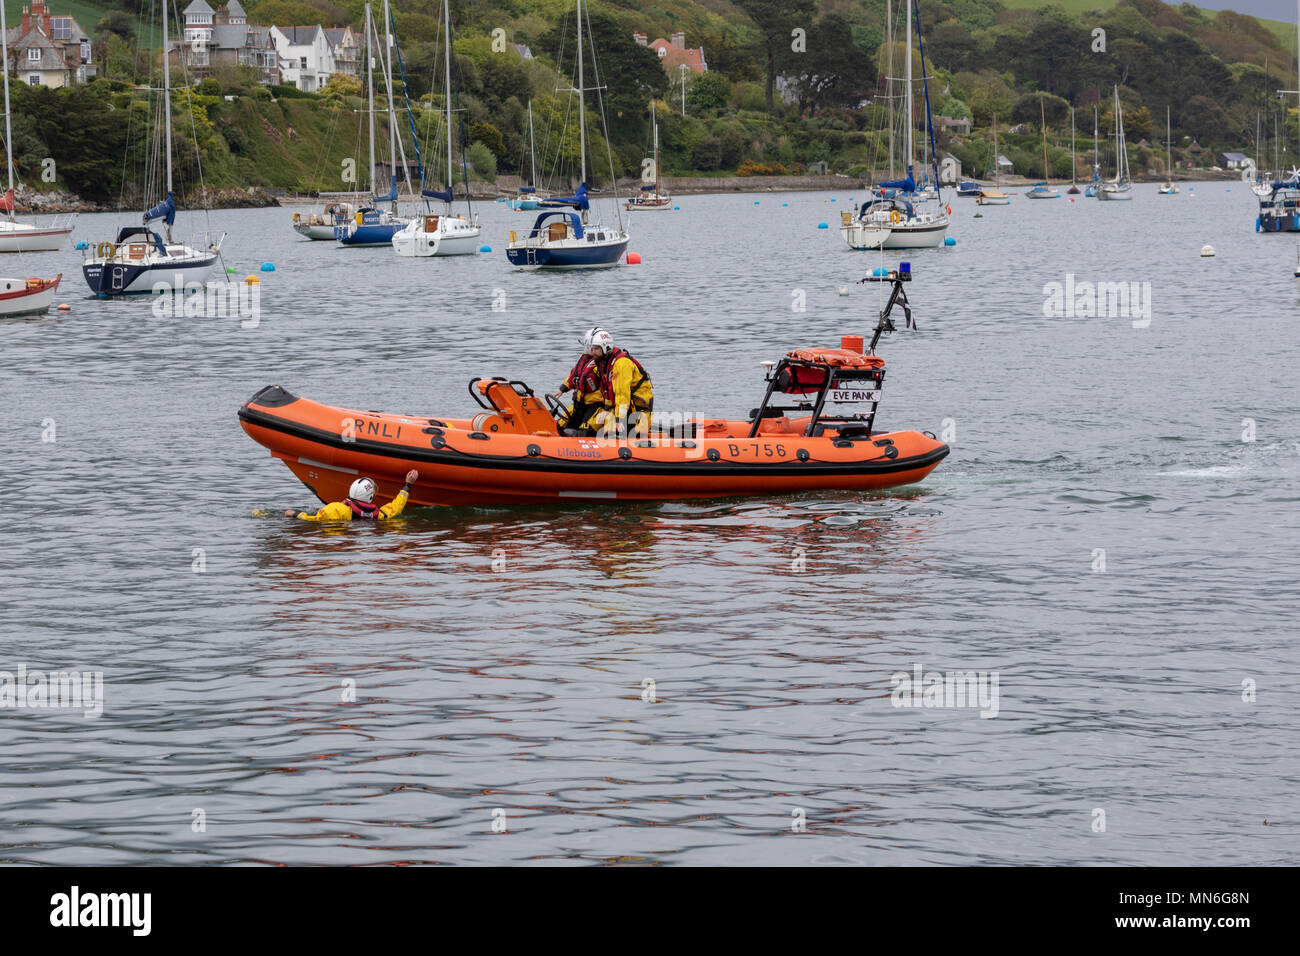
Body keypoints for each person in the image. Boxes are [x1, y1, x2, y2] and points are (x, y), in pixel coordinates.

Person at [586, 328, 653, 436]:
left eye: (596, 349)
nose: (592, 352)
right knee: (593, 426)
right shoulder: (605, 363)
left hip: (636, 414)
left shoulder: (621, 364)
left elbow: (623, 395)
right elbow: (608, 392)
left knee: (608, 433)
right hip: (622, 410)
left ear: (605, 348)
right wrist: (607, 410)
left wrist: (619, 419)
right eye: (592, 349)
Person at [285, 470, 419, 521]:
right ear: (369, 497)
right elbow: (397, 505)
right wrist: (408, 485)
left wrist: (294, 513)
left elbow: (311, 519)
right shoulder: (380, 515)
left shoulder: (336, 509)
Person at [551, 329, 606, 435]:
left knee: (584, 432)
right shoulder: (584, 359)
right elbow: (574, 376)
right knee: (559, 425)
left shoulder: (602, 364)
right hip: (579, 403)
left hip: (595, 406)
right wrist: (563, 389)